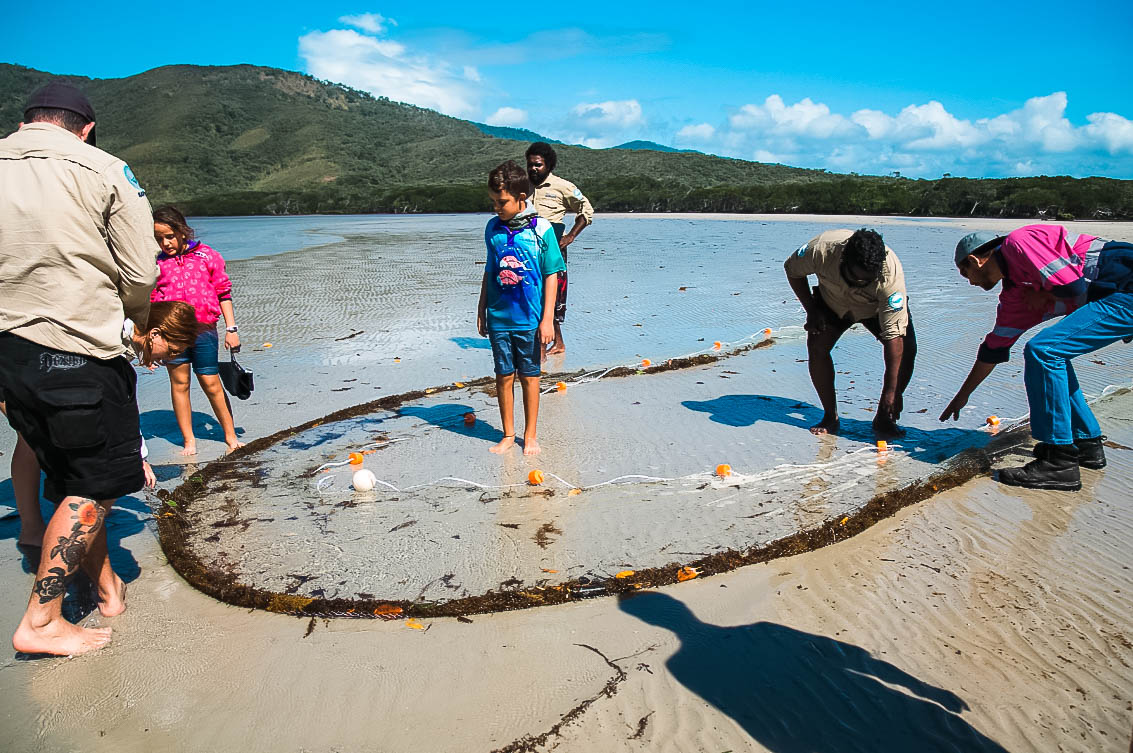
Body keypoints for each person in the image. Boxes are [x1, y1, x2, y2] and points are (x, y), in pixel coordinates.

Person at [0, 82, 158, 655]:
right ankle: (40, 621)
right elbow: (141, 269)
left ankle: (107, 587)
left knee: (66, 478)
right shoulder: (103, 169)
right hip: (76, 345)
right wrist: (136, 322)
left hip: (8, 354)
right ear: (84, 127)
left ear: (27, 121)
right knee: (94, 486)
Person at [3, 301, 199, 565]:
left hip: (28, 355)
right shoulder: (112, 341)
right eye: (171, 350)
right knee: (35, 439)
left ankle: (36, 527)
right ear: (154, 333)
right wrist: (138, 457)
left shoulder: (128, 336)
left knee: (30, 439)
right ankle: (36, 529)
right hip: (20, 361)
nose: (170, 360)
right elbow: (121, 411)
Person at [940, 225, 1133, 491]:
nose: (969, 280)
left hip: (1125, 285)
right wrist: (963, 395)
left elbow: (1073, 285)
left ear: (976, 260)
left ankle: (1059, 463)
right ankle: (1086, 445)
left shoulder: (1018, 242)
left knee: (1044, 350)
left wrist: (1044, 293)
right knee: (1053, 353)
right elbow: (994, 348)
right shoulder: (1015, 294)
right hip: (1116, 295)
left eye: (965, 273)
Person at [784, 228, 917, 439]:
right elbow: (792, 270)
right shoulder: (820, 250)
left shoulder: (891, 277)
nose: (860, 284)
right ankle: (830, 417)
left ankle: (884, 417)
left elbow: (894, 336)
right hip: (832, 302)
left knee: (907, 348)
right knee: (817, 347)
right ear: (844, 258)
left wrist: (893, 391)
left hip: (874, 308)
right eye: (856, 277)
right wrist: (811, 309)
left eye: (868, 280)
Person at [477, 161, 565, 456]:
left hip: (530, 318)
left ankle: (530, 435)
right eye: (493, 202)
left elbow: (552, 274)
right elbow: (490, 271)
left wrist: (548, 319)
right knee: (503, 375)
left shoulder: (542, 229)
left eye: (501, 202)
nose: (496, 208)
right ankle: (507, 434)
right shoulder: (493, 229)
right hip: (499, 316)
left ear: (521, 199)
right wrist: (481, 309)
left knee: (530, 375)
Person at [150, 205, 244, 455]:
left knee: (211, 382)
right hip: (171, 334)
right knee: (179, 383)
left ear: (182, 231)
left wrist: (231, 328)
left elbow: (223, 292)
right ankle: (189, 440)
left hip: (204, 329)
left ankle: (230, 436)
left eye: (169, 236)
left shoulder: (207, 256)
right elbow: (150, 300)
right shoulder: (155, 262)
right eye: (159, 238)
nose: (165, 243)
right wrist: (150, 341)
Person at [525, 142, 594, 355]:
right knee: (533, 296)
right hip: (527, 250)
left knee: (552, 298)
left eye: (538, 165)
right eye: (530, 165)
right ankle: (558, 344)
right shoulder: (523, 186)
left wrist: (571, 236)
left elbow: (587, 210)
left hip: (552, 249)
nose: (533, 169)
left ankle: (541, 352)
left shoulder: (562, 186)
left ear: (548, 165)